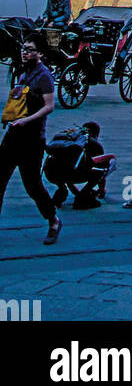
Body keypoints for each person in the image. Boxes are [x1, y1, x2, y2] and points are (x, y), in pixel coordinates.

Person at [0, 37, 61, 245]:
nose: (25, 53)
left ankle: (53, 220)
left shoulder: (44, 76)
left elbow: (49, 106)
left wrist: (26, 120)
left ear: (41, 54)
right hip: (13, 136)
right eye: (24, 49)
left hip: (32, 139)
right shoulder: (23, 72)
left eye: (30, 50)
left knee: (32, 186)